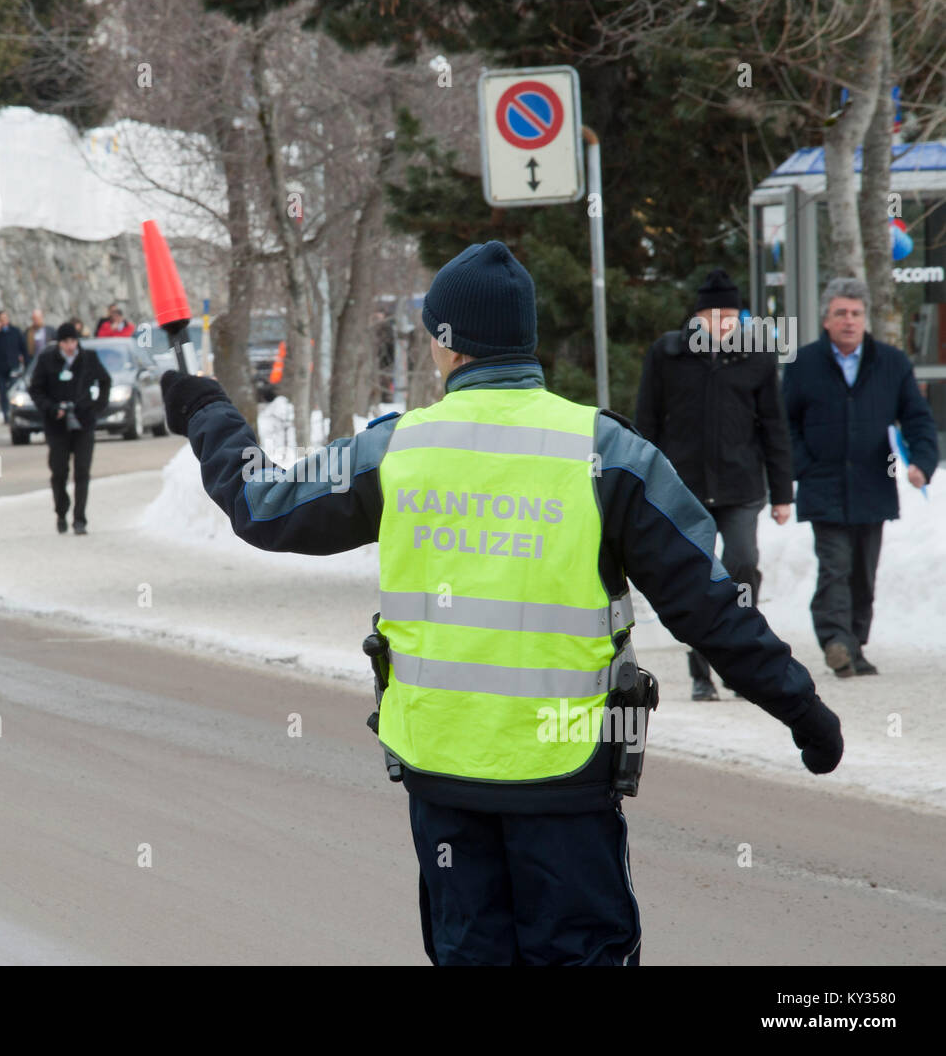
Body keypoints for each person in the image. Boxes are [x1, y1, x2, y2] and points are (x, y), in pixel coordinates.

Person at [159, 240, 842, 966]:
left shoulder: (395, 450)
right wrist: (801, 709)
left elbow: (265, 505)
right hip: (565, 781)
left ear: (448, 346)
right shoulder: (606, 452)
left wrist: (207, 411)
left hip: (443, 776)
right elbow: (709, 608)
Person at [634, 269, 794, 701]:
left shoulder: (756, 357)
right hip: (683, 487)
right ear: (697, 316)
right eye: (713, 314)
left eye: (729, 314)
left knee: (742, 565)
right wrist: (643, 485)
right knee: (696, 578)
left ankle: (742, 664)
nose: (721, 323)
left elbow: (774, 428)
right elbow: (646, 423)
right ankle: (700, 672)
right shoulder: (667, 354)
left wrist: (783, 494)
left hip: (741, 486)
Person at [783, 277, 938, 678]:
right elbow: (785, 424)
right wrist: (803, 464)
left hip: (873, 484)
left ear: (865, 319)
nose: (849, 321)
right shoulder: (803, 365)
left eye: (855, 313)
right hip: (823, 484)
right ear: (827, 319)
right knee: (834, 566)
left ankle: (854, 644)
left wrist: (921, 460)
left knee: (863, 574)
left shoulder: (892, 363)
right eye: (841, 313)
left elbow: (918, 419)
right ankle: (835, 640)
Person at [28, 321, 110, 534]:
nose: (70, 345)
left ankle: (80, 519)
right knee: (59, 471)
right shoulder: (47, 360)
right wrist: (52, 408)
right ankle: (61, 512)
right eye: (66, 342)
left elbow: (105, 381)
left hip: (83, 423)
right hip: (57, 426)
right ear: (59, 343)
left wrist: (96, 407)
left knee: (82, 471)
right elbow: (35, 390)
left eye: (73, 340)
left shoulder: (88, 358)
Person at [0, 310, 27, 422]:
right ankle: (6, 414)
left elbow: (23, 346)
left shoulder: (15, 331)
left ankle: (16, 413)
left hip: (13, 366)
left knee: (14, 391)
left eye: (5, 318)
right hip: (0, 367)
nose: (4, 320)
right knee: (3, 393)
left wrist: (23, 357)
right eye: (1, 319)